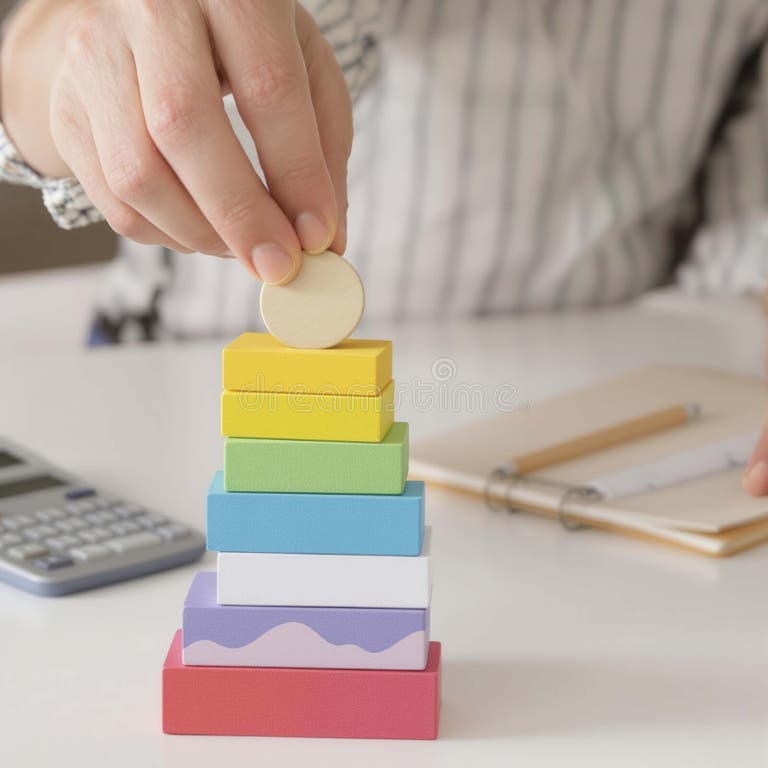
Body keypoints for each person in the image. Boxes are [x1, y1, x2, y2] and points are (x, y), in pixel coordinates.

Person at [2, 0, 768, 493]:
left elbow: (748, 250)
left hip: (615, 402)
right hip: (177, 385)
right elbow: (56, 50)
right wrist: (67, 60)